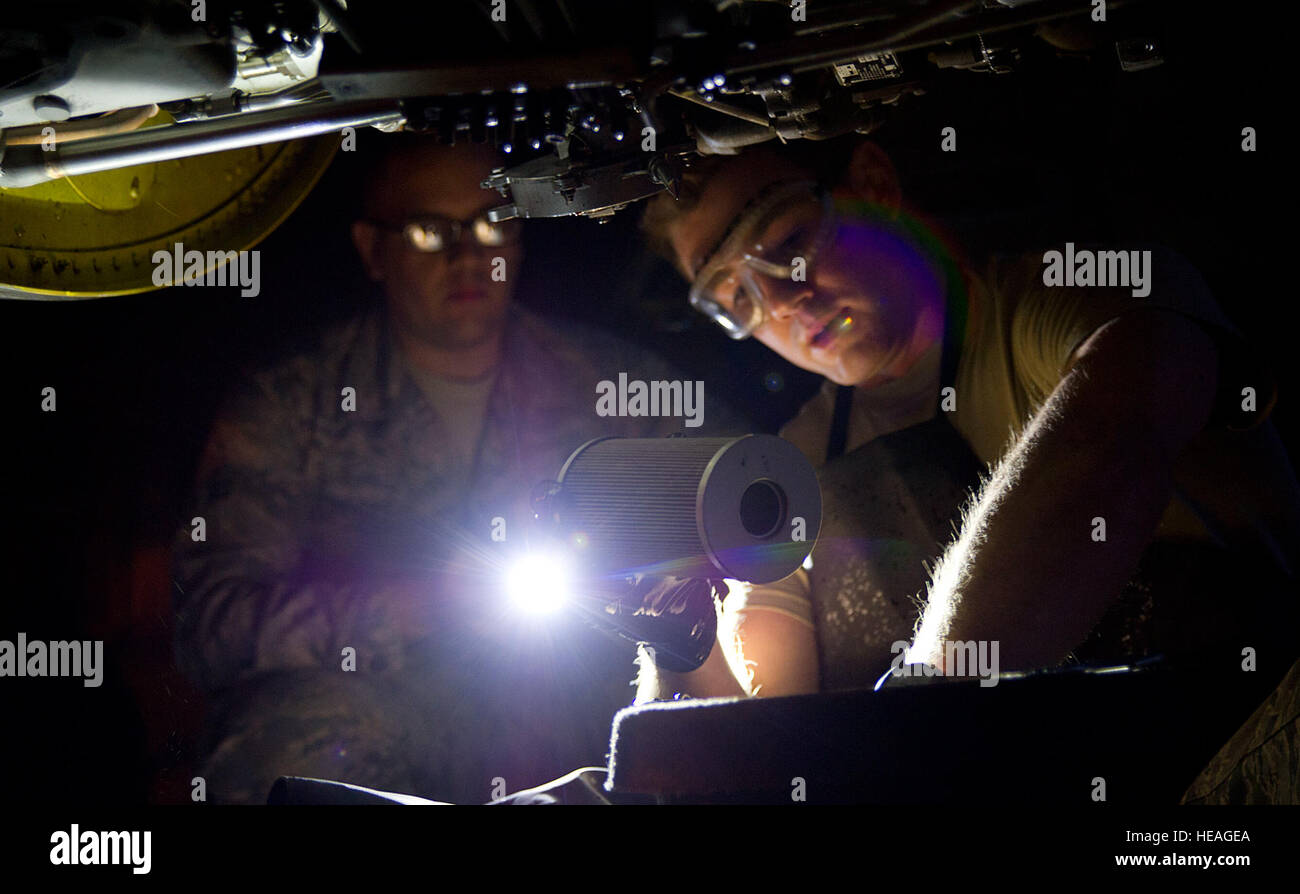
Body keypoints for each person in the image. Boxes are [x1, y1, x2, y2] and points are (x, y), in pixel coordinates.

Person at [633, 137, 1300, 721]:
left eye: (786, 241)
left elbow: (1110, 441)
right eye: (737, 296)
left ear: (874, 185)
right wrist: (668, 631)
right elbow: (766, 728)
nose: (781, 299)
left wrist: (921, 711)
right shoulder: (787, 470)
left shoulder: (1067, 302)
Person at [171, 135, 748, 804]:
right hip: (384, 712)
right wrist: (406, 608)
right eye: (428, 232)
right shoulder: (291, 399)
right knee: (286, 742)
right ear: (372, 249)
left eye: (490, 223)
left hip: (580, 704)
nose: (469, 256)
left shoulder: (610, 385)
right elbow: (211, 631)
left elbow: (758, 492)